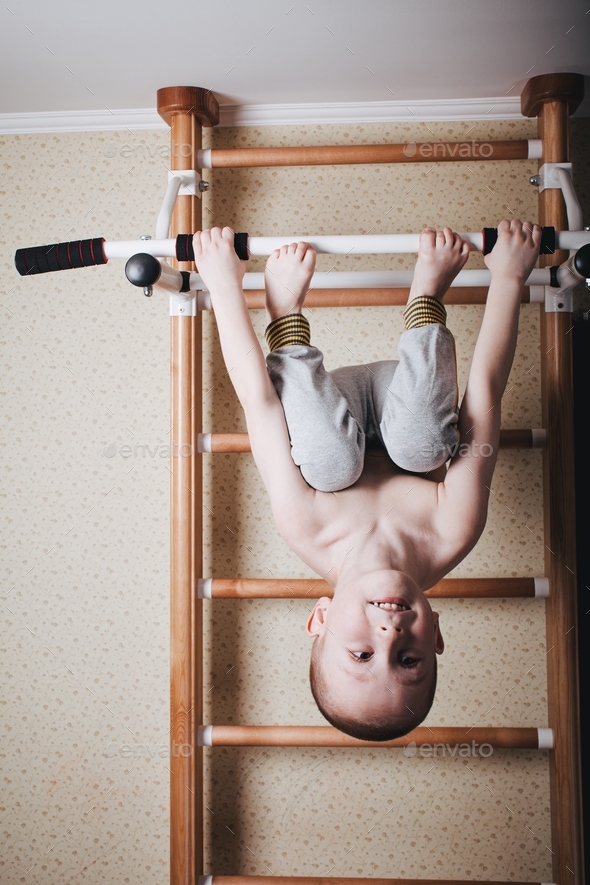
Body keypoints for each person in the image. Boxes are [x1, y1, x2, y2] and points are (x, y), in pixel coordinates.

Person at [193, 220, 541, 741]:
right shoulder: (452, 531)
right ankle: (426, 295)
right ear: (437, 636)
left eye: (361, 654)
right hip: (403, 401)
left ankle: (286, 314)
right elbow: (483, 396)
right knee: (421, 447)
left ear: (320, 621)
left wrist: (224, 283)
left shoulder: (307, 528)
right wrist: (509, 277)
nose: (389, 633)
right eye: (408, 658)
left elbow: (261, 406)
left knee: (332, 466)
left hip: (335, 406)